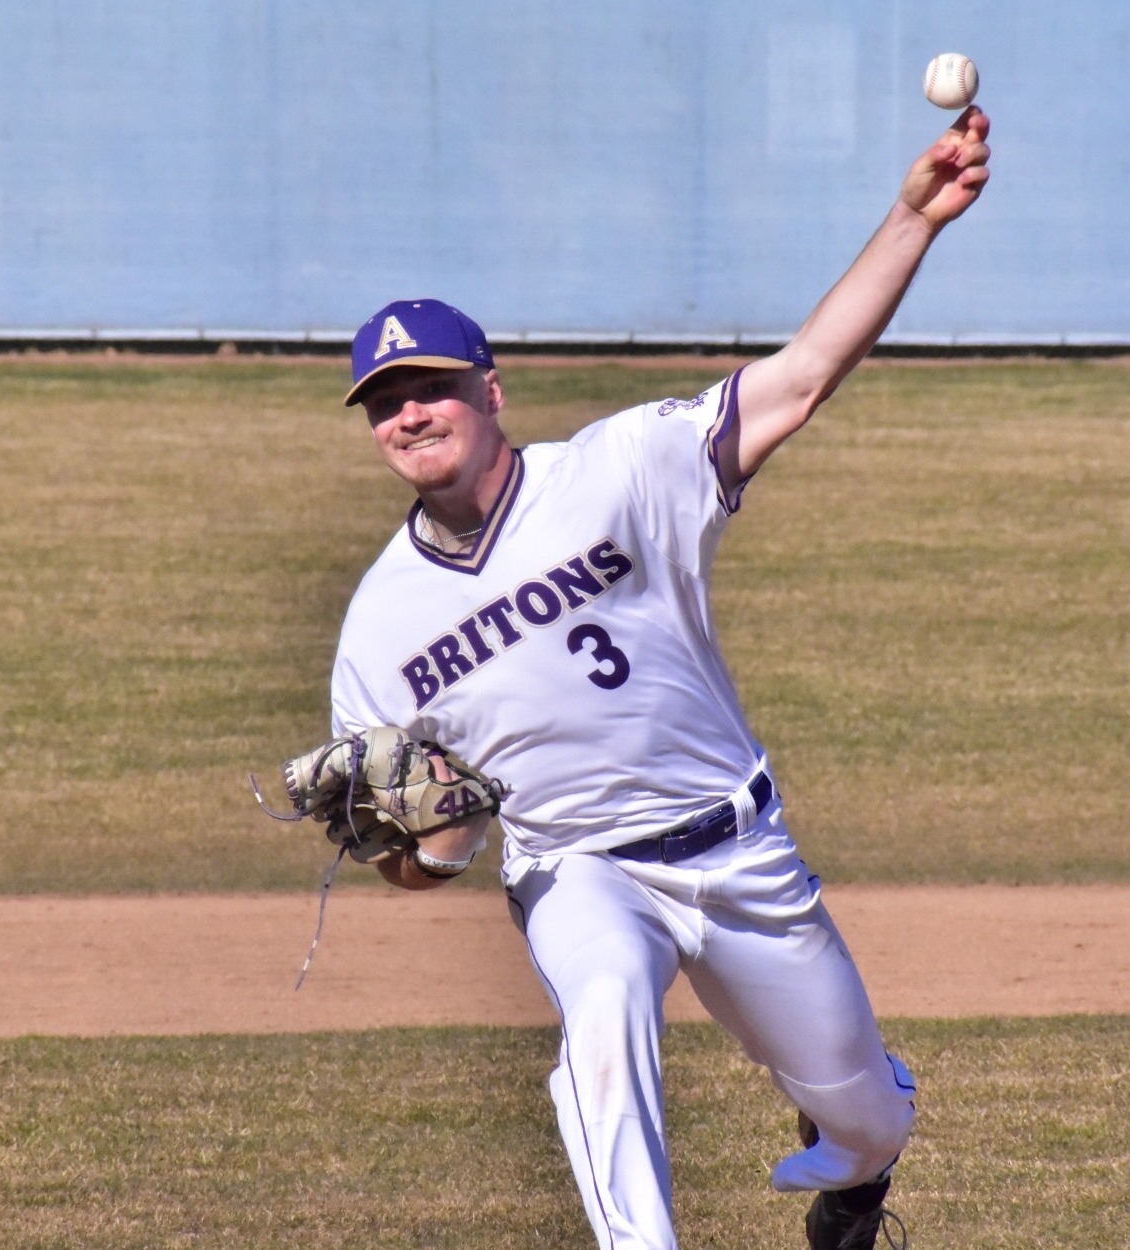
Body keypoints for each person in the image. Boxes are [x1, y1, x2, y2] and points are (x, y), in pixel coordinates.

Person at [327, 108, 990, 1250]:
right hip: (577, 868)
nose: (409, 413)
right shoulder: (375, 629)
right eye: (385, 402)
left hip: (736, 847)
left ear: (491, 392)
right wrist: (416, 850)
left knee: (867, 1119)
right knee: (602, 1010)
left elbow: (800, 380)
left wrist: (910, 219)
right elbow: (408, 853)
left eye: (428, 385)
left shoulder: (622, 469)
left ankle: (858, 1168)